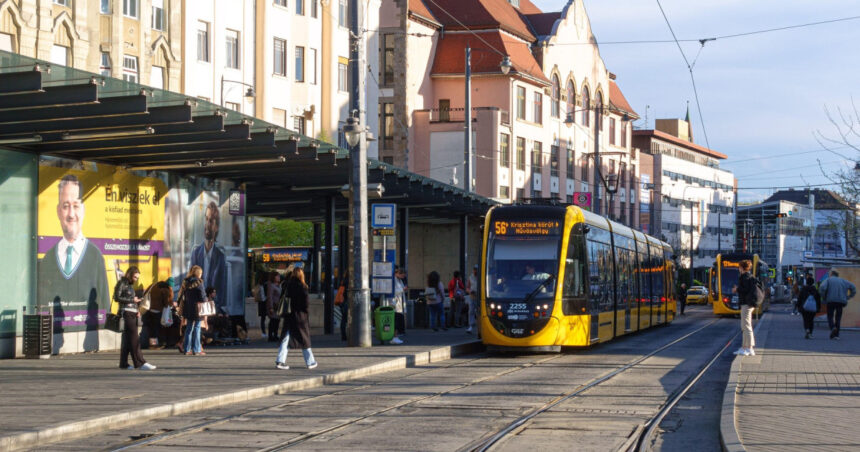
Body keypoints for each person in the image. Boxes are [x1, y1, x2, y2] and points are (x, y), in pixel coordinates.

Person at [38, 175, 110, 334]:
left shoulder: (95, 256)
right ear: (58, 211)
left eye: (76, 206)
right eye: (65, 206)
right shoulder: (48, 259)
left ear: (83, 210)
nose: (71, 214)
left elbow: (104, 301)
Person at [276, 267, 318, 370]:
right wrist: (305, 313)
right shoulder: (302, 287)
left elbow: (282, 298)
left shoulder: (287, 285)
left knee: (285, 338)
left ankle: (280, 361)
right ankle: (310, 362)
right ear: (302, 275)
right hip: (300, 316)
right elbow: (306, 304)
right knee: (304, 339)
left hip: (289, 315)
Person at [190, 201, 227, 313]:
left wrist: (213, 307)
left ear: (216, 227)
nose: (207, 224)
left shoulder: (220, 257)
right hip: (197, 304)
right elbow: (190, 282)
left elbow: (222, 291)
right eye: (206, 219)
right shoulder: (196, 253)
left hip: (213, 307)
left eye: (211, 221)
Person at [115, 266, 155, 370]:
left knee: (128, 340)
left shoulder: (129, 285)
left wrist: (137, 309)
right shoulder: (122, 283)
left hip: (132, 312)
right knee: (134, 338)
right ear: (129, 274)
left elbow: (131, 300)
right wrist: (132, 300)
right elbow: (117, 297)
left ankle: (123, 364)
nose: (136, 279)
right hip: (126, 313)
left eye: (137, 278)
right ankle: (140, 363)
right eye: (135, 277)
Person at [818, 269, 857, 340]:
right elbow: (853, 288)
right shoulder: (843, 281)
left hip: (831, 301)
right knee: (838, 317)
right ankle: (836, 335)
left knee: (830, 316)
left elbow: (822, 287)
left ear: (831, 274)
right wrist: (848, 297)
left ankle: (833, 327)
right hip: (841, 302)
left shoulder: (828, 280)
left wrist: (824, 297)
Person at [732, 260, 757, 356]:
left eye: (739, 267)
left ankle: (749, 348)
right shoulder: (749, 276)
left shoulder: (744, 276)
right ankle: (744, 347)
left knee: (746, 326)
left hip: (746, 304)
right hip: (748, 304)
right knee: (744, 326)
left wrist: (737, 289)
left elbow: (745, 289)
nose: (738, 269)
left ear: (742, 268)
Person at [180, 265, 207, 356]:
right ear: (198, 273)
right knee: (197, 328)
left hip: (188, 307)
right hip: (197, 308)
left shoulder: (185, 282)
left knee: (188, 328)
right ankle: (196, 349)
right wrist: (206, 300)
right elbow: (202, 297)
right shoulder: (199, 282)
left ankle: (187, 349)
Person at [142, 277, 174, 349]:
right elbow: (166, 303)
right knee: (157, 329)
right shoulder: (166, 290)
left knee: (152, 328)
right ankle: (155, 345)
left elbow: (145, 294)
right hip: (158, 311)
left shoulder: (153, 285)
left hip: (149, 309)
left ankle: (152, 345)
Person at [391, 268, 407, 344]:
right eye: (402, 274)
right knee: (396, 321)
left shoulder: (399, 280)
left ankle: (396, 336)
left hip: (399, 303)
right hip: (395, 303)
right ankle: (395, 336)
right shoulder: (394, 280)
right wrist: (403, 289)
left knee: (398, 320)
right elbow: (395, 291)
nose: (403, 276)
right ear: (397, 273)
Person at [266, 273, 283, 342]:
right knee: (273, 321)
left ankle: (275, 335)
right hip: (274, 306)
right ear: (274, 277)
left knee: (277, 321)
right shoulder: (271, 286)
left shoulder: (279, 286)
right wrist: (271, 307)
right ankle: (270, 336)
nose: (279, 278)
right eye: (277, 276)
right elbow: (270, 297)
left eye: (279, 276)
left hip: (278, 306)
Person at [466, 265, 479, 334]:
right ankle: (470, 326)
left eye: (476, 269)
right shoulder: (470, 277)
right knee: (471, 311)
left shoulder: (481, 277)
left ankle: (479, 326)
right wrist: (470, 291)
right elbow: (467, 287)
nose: (475, 271)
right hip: (472, 296)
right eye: (474, 269)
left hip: (479, 297)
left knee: (479, 311)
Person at [339, 270, 350, 341]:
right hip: (347, 302)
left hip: (343, 302)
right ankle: (347, 335)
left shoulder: (343, 281)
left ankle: (343, 335)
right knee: (347, 319)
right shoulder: (350, 282)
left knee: (344, 319)